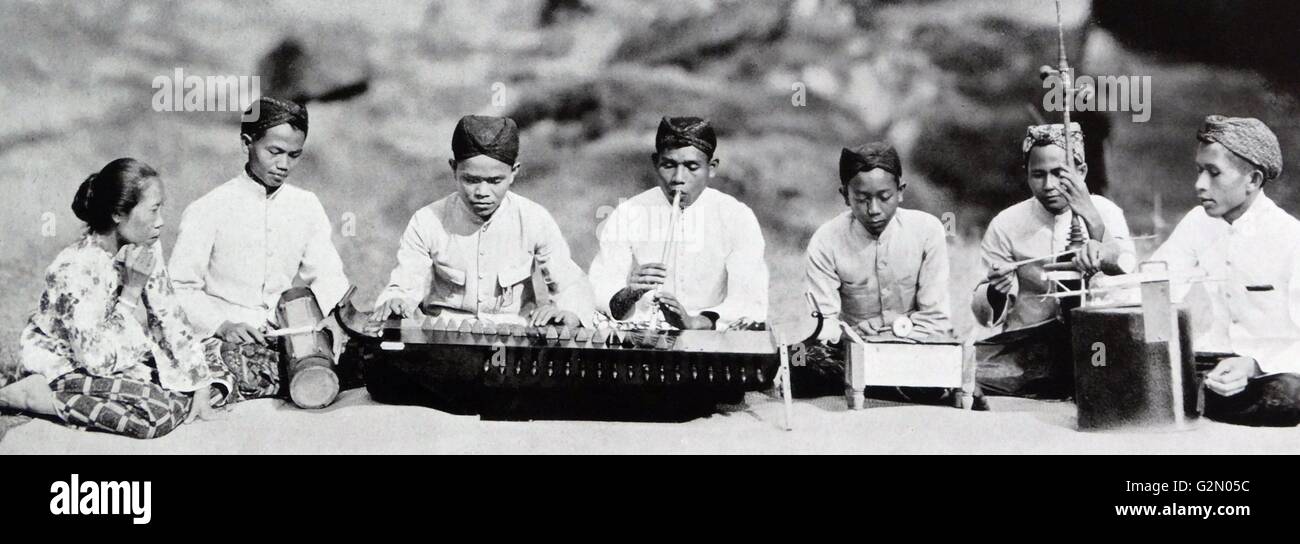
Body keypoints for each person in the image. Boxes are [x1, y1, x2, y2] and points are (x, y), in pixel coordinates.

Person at [0, 158, 231, 439]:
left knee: (217, 367)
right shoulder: (75, 269)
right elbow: (96, 360)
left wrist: (200, 383)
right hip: (68, 363)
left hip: (116, 352)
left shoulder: (145, 246)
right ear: (118, 214)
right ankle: (36, 396)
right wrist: (132, 292)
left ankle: (178, 393)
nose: (161, 222)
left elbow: (169, 315)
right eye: (154, 210)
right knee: (155, 415)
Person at [169, 96, 350, 401]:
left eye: (294, 155)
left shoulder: (305, 205)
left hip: (288, 332)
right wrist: (222, 326)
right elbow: (178, 287)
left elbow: (328, 275)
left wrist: (335, 318)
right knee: (230, 367)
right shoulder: (208, 208)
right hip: (226, 336)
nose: (284, 165)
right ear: (246, 143)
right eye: (274, 152)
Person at [371, 114, 594, 328]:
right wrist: (396, 301)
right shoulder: (427, 220)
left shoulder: (534, 219)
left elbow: (569, 283)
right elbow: (404, 284)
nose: (482, 192)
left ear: (514, 172)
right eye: (471, 179)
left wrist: (569, 311)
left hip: (515, 338)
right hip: (443, 339)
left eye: (495, 180)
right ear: (454, 169)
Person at [1148, 115, 1300, 426]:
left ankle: (1189, 402)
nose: (1199, 185)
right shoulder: (1197, 222)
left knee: (1287, 396)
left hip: (1271, 369)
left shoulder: (1291, 240)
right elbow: (1156, 282)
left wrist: (1255, 364)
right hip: (1209, 362)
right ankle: (1190, 398)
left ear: (1253, 180)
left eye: (1213, 173)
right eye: (1199, 171)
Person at [971, 123, 1134, 399]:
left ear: (1081, 172)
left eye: (1060, 174)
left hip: (1096, 342)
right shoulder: (1007, 224)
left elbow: (1128, 280)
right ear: (1027, 175)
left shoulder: (1106, 212)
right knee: (965, 375)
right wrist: (995, 290)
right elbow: (982, 313)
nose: (1048, 186)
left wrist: (1092, 220)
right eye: (1038, 175)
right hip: (1028, 352)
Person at [797, 142, 953, 398]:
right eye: (861, 199)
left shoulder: (927, 231)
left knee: (937, 364)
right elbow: (824, 324)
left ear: (900, 191)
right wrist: (852, 334)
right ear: (845, 195)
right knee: (800, 365)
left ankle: (885, 385)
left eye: (884, 197)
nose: (874, 210)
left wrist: (892, 324)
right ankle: (891, 386)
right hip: (852, 350)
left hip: (915, 344)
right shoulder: (826, 240)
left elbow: (937, 318)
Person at [588, 116, 768, 330]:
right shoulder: (628, 213)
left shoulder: (737, 216)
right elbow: (599, 287)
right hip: (642, 334)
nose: (678, 178)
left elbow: (750, 298)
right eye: (669, 165)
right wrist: (628, 294)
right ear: (656, 163)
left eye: (692, 166)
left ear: (711, 167)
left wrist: (695, 322)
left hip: (711, 337)